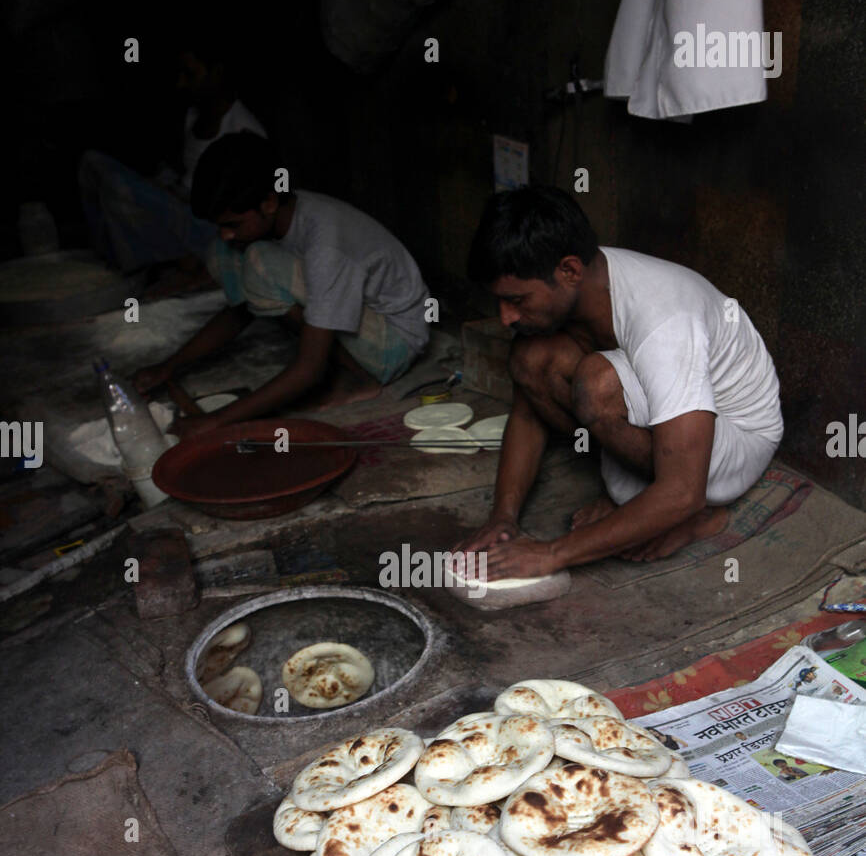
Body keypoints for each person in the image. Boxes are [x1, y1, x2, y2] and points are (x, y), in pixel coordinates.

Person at [458, 186, 783, 577]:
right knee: (531, 358)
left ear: (570, 270)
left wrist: (551, 554)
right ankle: (642, 505)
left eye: (518, 300)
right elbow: (527, 416)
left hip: (737, 437)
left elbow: (682, 489)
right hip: (675, 423)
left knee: (599, 383)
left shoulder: (664, 320)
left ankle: (699, 517)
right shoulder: (582, 284)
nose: (505, 317)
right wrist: (502, 518)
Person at [133, 133, 430, 429]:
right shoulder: (281, 215)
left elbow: (309, 369)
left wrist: (214, 421)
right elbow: (240, 312)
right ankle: (336, 361)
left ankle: (357, 381)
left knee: (261, 262)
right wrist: (169, 366)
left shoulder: (325, 243)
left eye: (233, 224)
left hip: (395, 341)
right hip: (366, 325)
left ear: (270, 202)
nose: (225, 232)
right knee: (224, 252)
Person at [78, 38, 267, 287]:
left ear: (217, 73)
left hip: (212, 230)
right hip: (185, 206)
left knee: (118, 187)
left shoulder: (245, 132)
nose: (181, 84)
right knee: (93, 164)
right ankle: (116, 259)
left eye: (190, 74)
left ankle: (156, 266)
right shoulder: (193, 117)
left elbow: (244, 212)